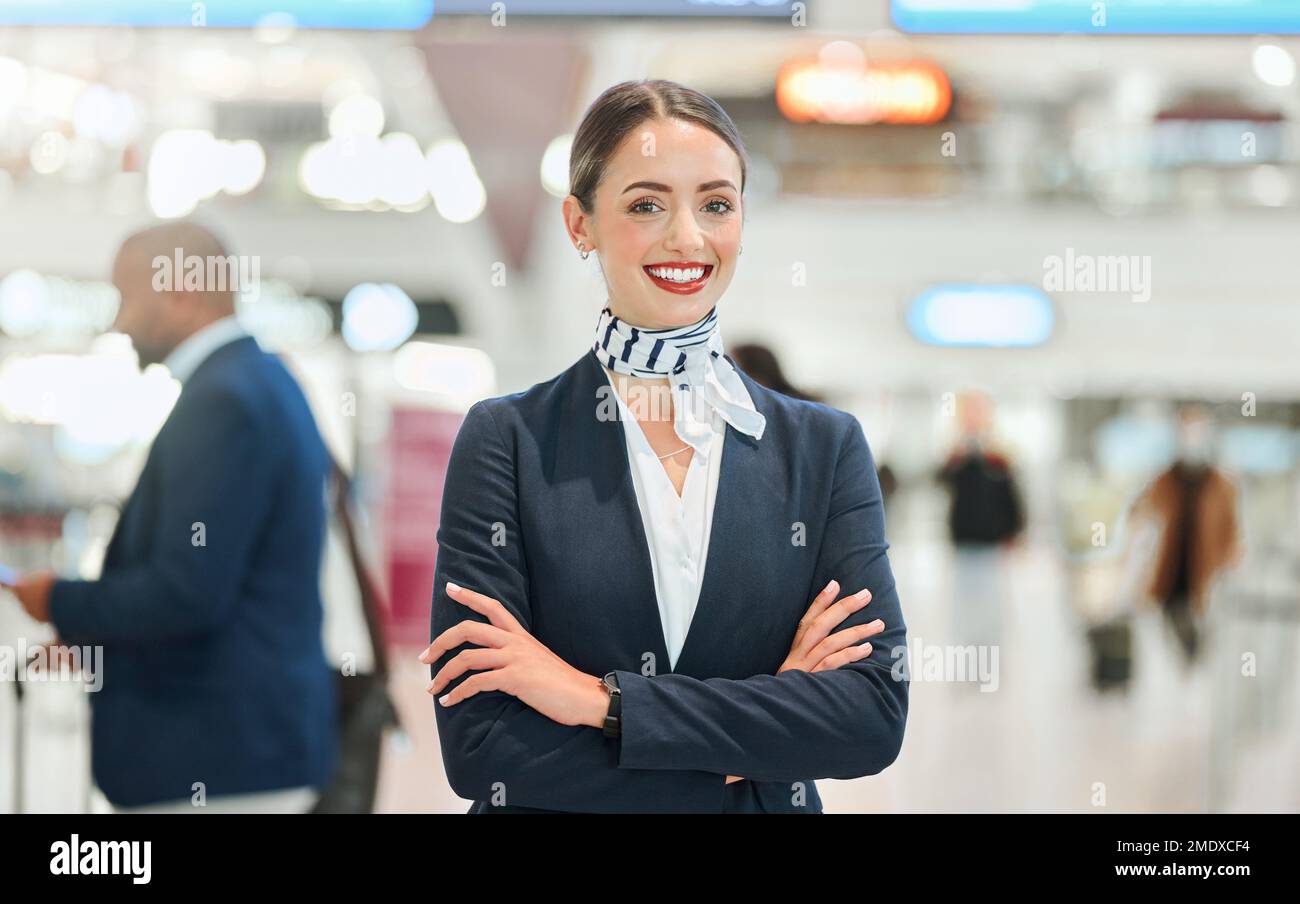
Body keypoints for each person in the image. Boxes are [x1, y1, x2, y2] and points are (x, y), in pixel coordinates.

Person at [418, 79, 908, 813]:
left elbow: (869, 719)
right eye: (647, 205)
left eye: (716, 204)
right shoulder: (509, 441)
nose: (687, 237)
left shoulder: (821, 449)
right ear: (579, 225)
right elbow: (482, 747)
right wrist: (762, 736)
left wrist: (597, 702)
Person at [3, 221, 338, 812]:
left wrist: (59, 601)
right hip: (241, 754)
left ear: (181, 287)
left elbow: (188, 592)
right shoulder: (257, 382)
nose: (118, 322)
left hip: (217, 764)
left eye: (126, 297)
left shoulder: (225, 400)